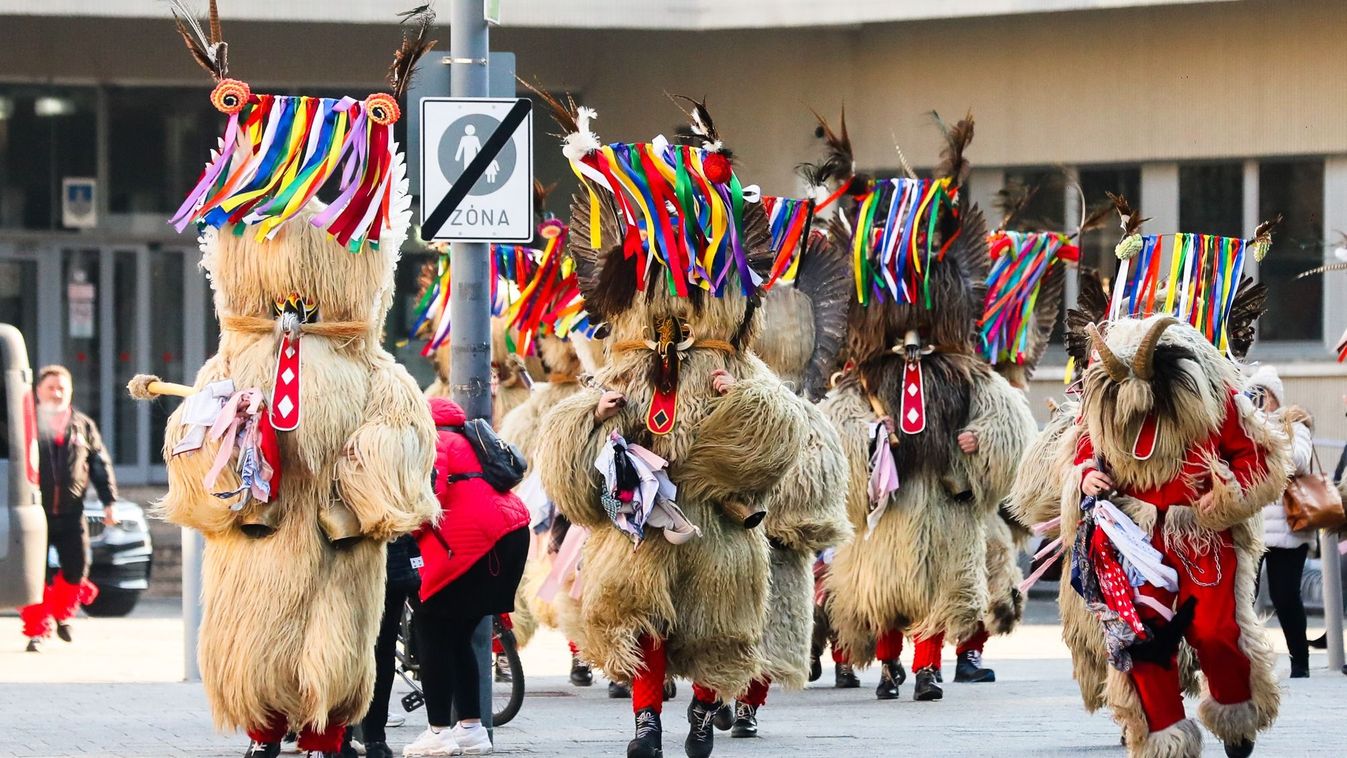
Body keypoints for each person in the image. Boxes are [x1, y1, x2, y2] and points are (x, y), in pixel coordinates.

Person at [402, 398, 529, 757]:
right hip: (509, 535)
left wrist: (402, 529)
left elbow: (430, 497)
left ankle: (438, 731)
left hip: (473, 544)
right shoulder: (470, 439)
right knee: (458, 636)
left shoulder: (434, 441)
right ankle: (471, 728)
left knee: (431, 632)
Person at [19, 364, 119, 651]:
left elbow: (100, 465)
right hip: (35, 513)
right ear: (38, 391)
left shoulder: (82, 425)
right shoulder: (26, 424)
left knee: (77, 569)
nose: (56, 393)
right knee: (36, 574)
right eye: (50, 387)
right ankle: (36, 631)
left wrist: (109, 502)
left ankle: (62, 615)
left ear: (70, 391)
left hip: (72, 511)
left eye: (62, 387)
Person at [1247, 366, 1315, 678]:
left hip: (1289, 527)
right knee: (1244, 596)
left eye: (1264, 394)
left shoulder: (1293, 424)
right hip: (1254, 526)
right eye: (1254, 394)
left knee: (1285, 596)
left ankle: (1300, 661)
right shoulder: (1245, 425)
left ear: (1275, 397)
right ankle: (1245, 660)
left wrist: (1268, 435)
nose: (1259, 400)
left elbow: (1298, 461)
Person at [342, 535, 421, 758]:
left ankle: (342, 737)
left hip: (349, 567)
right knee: (382, 653)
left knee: (347, 653)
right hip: (391, 568)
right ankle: (375, 739)